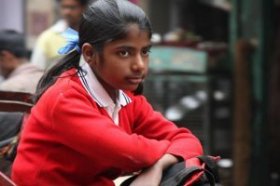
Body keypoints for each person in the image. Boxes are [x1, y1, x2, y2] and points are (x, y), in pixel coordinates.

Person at [12, 0, 203, 185]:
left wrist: (160, 164)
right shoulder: (66, 98)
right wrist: (168, 154)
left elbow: (188, 141)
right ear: (89, 54)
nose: (139, 65)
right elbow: (129, 153)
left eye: (145, 52)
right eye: (124, 53)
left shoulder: (127, 98)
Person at [30, 0, 88, 70]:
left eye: (72, 7)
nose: (67, 12)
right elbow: (36, 69)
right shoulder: (47, 37)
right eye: (64, 7)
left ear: (83, 8)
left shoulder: (91, 34)